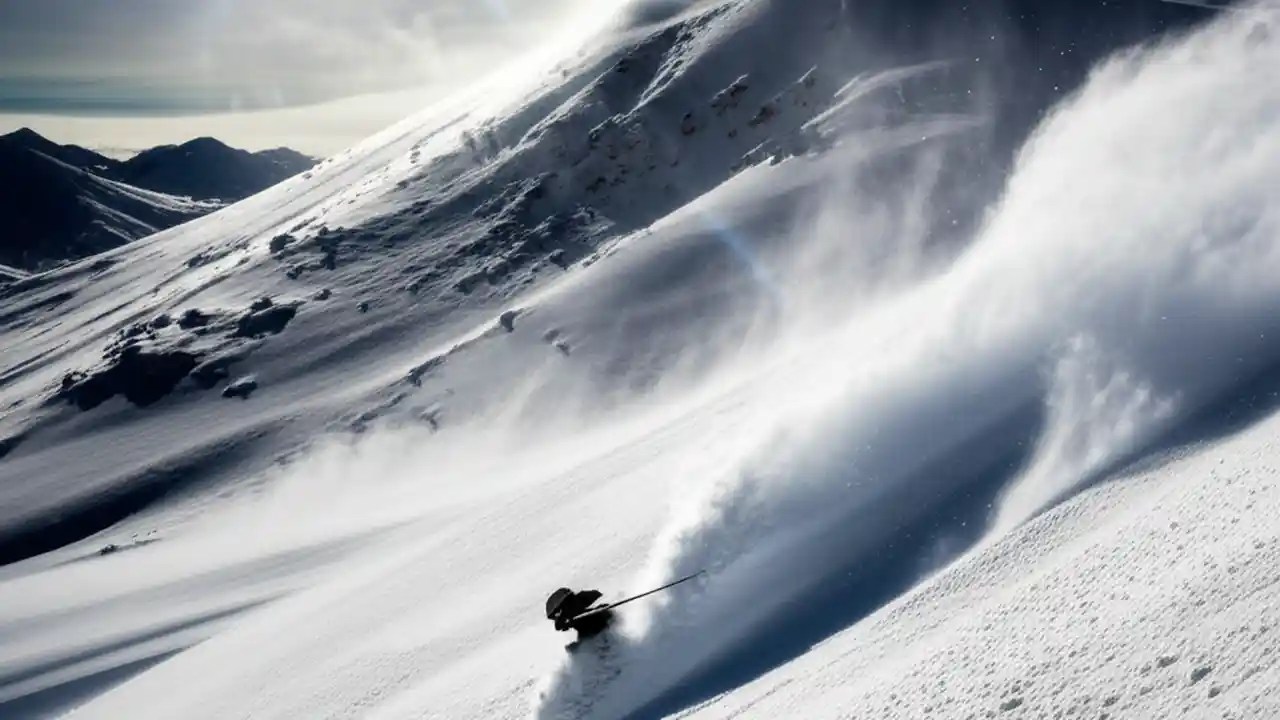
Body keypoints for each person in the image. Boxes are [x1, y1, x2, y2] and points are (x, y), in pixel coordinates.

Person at [546, 587, 614, 637]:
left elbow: (597, 595)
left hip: (597, 621)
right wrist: (565, 624)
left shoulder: (578, 599)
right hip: (586, 630)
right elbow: (558, 626)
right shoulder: (563, 615)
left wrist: (603, 608)